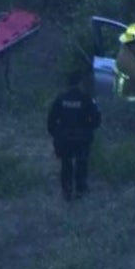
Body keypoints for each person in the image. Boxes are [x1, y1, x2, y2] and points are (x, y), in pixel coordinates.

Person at [47, 73, 102, 201]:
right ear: (79, 83)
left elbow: (51, 119)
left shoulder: (60, 99)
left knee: (66, 164)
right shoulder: (85, 99)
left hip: (64, 138)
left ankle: (67, 191)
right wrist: (88, 130)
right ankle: (80, 191)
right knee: (81, 164)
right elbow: (96, 119)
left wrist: (56, 134)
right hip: (81, 138)